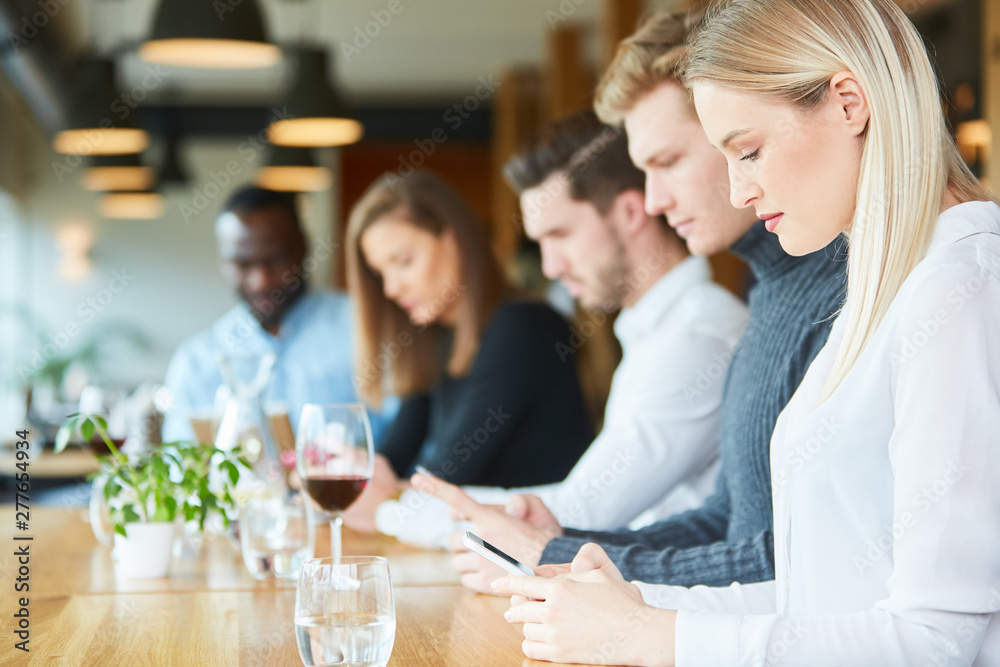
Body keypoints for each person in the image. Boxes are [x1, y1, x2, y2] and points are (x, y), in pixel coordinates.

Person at [485, 0, 1000, 664]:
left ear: (849, 103)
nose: (737, 191)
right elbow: (818, 592)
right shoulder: (887, 282)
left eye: (749, 151)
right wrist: (633, 603)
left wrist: (654, 633)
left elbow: (937, 640)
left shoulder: (960, 287)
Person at [416, 5, 847, 593]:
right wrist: (563, 550)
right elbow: (729, 524)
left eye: (668, 162)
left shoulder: (826, 296)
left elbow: (793, 565)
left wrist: (561, 553)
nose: (652, 200)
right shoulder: (770, 294)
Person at [373, 111, 749, 558]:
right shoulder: (655, 334)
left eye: (561, 234)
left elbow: (578, 513)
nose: (550, 267)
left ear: (630, 213)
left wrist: (395, 508)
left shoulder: (696, 338)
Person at [346, 169, 594, 492]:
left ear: (455, 240)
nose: (391, 288)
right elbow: (390, 460)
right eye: (380, 274)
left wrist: (370, 486)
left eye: (403, 261)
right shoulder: (438, 340)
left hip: (544, 540)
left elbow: (445, 481)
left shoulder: (523, 328)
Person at [162, 186, 394, 444]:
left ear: (304, 247)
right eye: (242, 264)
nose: (261, 281)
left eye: (275, 259)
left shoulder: (368, 327)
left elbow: (408, 440)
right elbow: (179, 468)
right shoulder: (196, 362)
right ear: (223, 262)